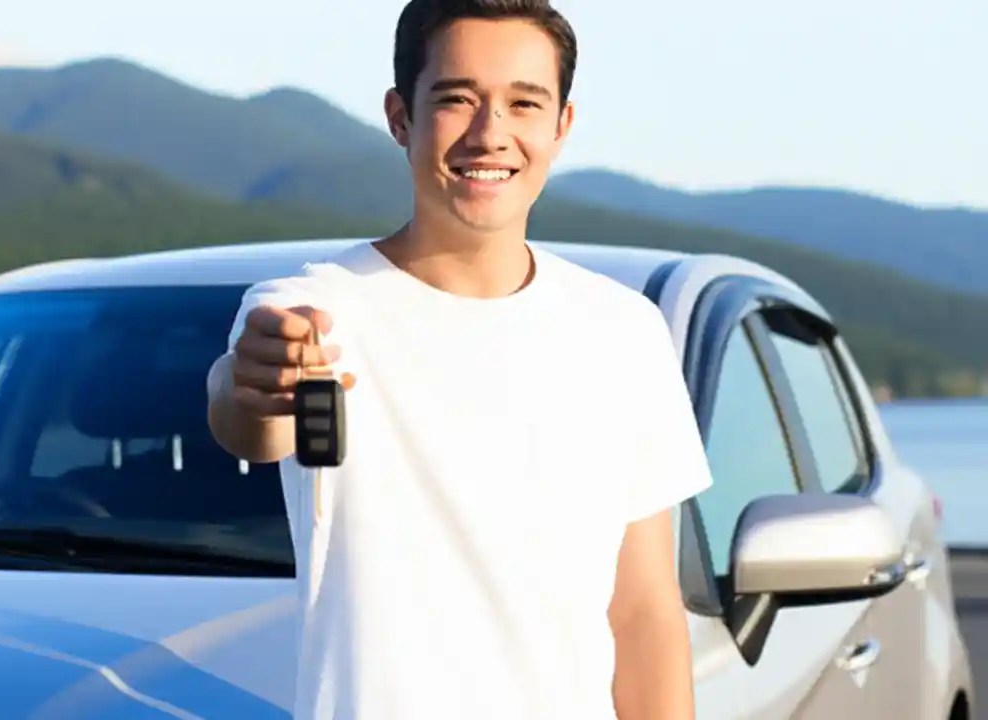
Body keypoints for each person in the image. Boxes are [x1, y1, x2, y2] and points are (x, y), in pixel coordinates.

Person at [206, 1, 714, 717]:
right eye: (456, 99)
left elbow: (643, 613)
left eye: (523, 103)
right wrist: (251, 384)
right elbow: (246, 416)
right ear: (400, 117)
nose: (489, 134)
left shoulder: (625, 331)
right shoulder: (314, 306)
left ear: (561, 126)